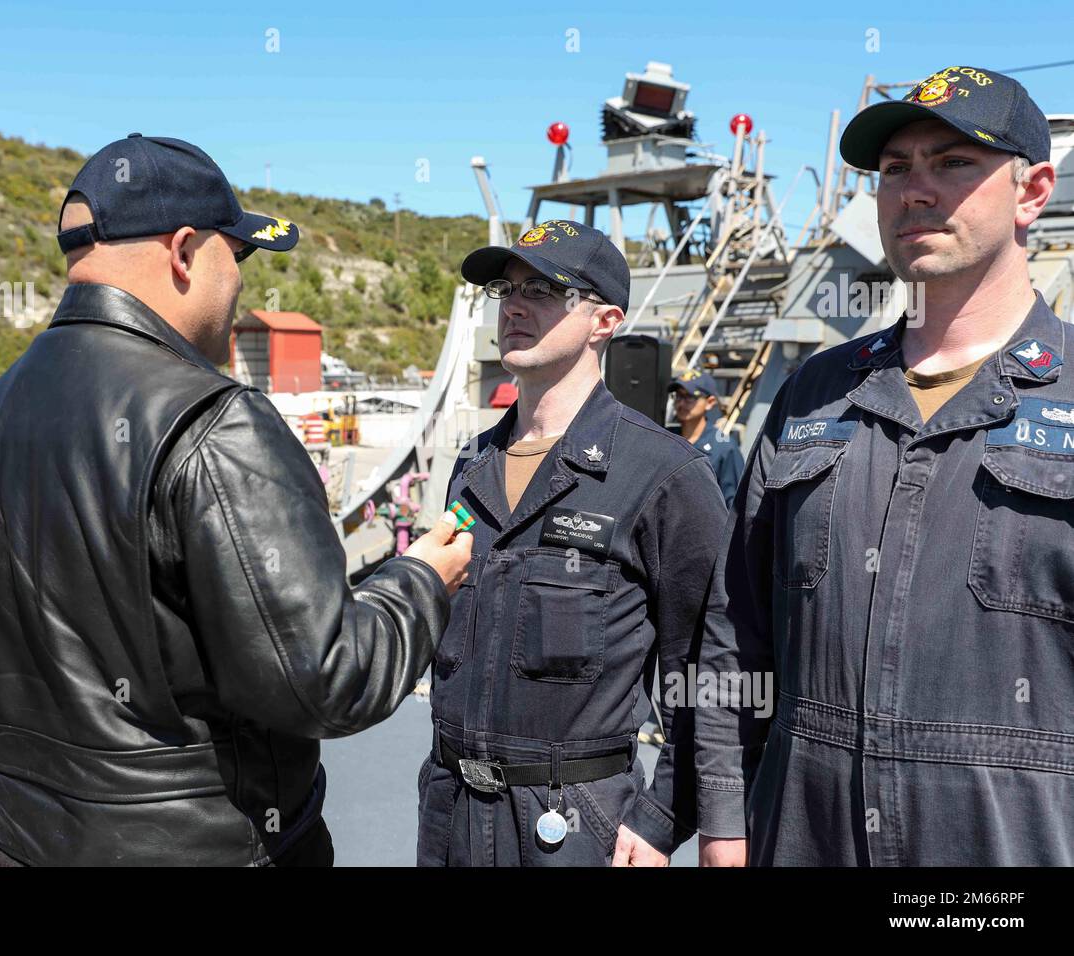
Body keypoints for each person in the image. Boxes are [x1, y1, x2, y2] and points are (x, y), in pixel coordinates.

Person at [0, 134, 472, 867]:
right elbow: (327, 680)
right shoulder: (213, 423)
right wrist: (423, 580)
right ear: (184, 251)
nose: (239, 284)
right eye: (235, 256)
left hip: (28, 845)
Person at [695, 65, 1071, 866]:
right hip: (802, 837)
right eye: (896, 169)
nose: (915, 190)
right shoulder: (813, 393)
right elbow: (736, 626)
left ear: (1033, 191)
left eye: (955, 162)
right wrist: (724, 814)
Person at [417, 220, 727, 866]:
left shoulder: (662, 473)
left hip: (573, 830)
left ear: (604, 321)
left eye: (542, 290)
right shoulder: (472, 466)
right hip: (451, 817)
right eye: (506, 289)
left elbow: (707, 670)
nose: (514, 306)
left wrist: (664, 817)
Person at [667, 368, 745, 508]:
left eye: (689, 397)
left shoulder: (724, 448)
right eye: (678, 396)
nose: (681, 403)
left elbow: (734, 505)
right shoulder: (667, 439)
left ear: (710, 402)